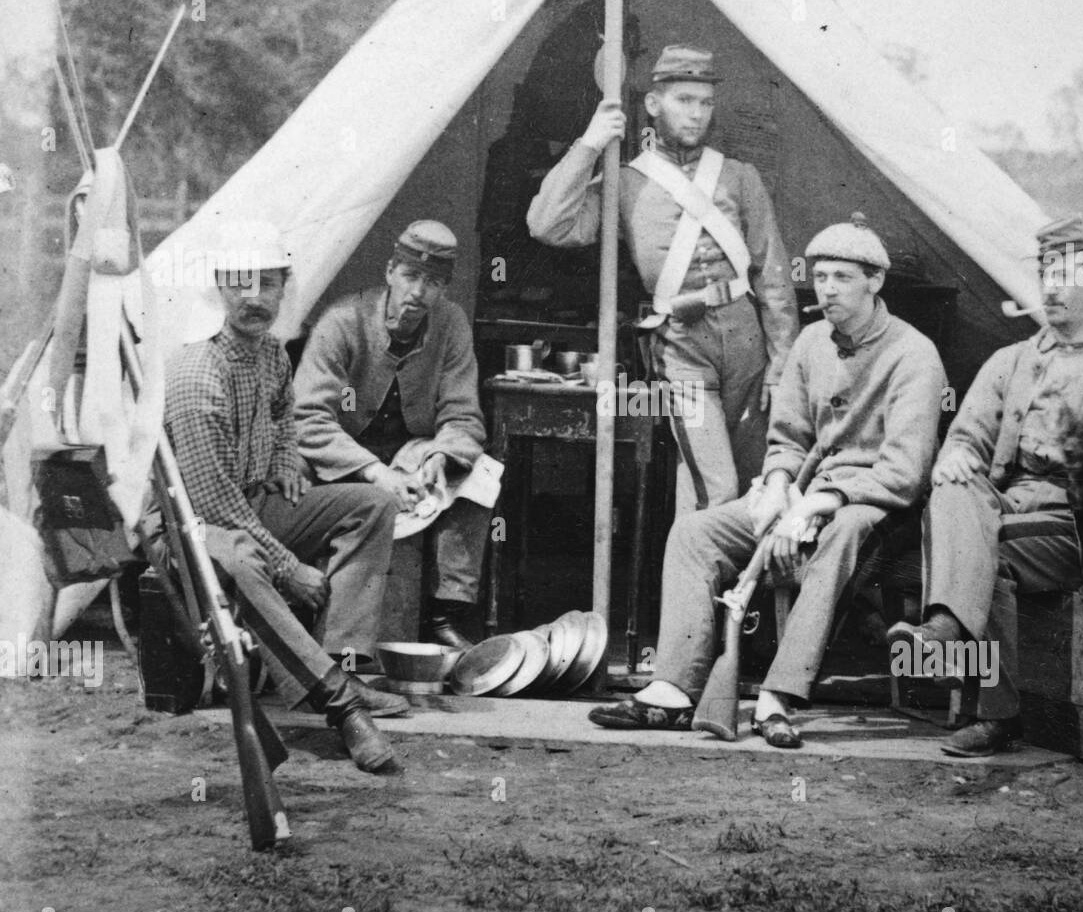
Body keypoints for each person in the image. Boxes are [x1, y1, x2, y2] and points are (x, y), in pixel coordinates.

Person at [587, 216, 946, 746]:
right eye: (820, 277)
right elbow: (788, 437)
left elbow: (906, 472)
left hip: (878, 508)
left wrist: (821, 502)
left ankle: (777, 698)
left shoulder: (914, 354)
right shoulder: (810, 344)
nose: (827, 289)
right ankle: (673, 690)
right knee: (696, 533)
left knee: (842, 534)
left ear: (875, 282)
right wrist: (778, 483)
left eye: (843, 278)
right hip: (804, 494)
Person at [887, 215, 1083, 756]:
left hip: (1078, 529)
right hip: (1002, 507)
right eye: (1046, 273)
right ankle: (954, 644)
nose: (1053, 286)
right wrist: (955, 459)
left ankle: (974, 681)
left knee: (989, 552)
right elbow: (965, 440)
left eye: (1069, 272)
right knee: (953, 493)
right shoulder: (1009, 363)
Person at [147, 221, 407, 773]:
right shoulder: (198, 371)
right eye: (240, 283)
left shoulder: (271, 355)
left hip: (248, 504)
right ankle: (343, 706)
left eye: (267, 284)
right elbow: (212, 502)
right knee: (243, 559)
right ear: (220, 287)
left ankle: (343, 659)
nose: (253, 297)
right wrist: (289, 567)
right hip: (187, 525)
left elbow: (286, 417)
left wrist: (288, 462)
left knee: (372, 503)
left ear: (282, 289)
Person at [526, 44, 799, 516]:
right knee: (716, 490)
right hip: (682, 348)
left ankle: (708, 590)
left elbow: (773, 276)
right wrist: (590, 143)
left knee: (756, 489)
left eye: (705, 102)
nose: (697, 114)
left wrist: (782, 364)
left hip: (748, 345)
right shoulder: (626, 181)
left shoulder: (740, 177)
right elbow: (548, 224)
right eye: (683, 100)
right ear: (653, 104)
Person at [294, 221, 491, 651]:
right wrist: (374, 473)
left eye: (434, 282)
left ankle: (446, 611)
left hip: (410, 454)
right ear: (389, 272)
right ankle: (303, 608)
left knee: (481, 473)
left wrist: (441, 457)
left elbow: (463, 414)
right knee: (292, 471)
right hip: (343, 455)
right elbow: (309, 418)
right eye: (411, 276)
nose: (419, 292)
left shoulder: (451, 324)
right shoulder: (343, 322)